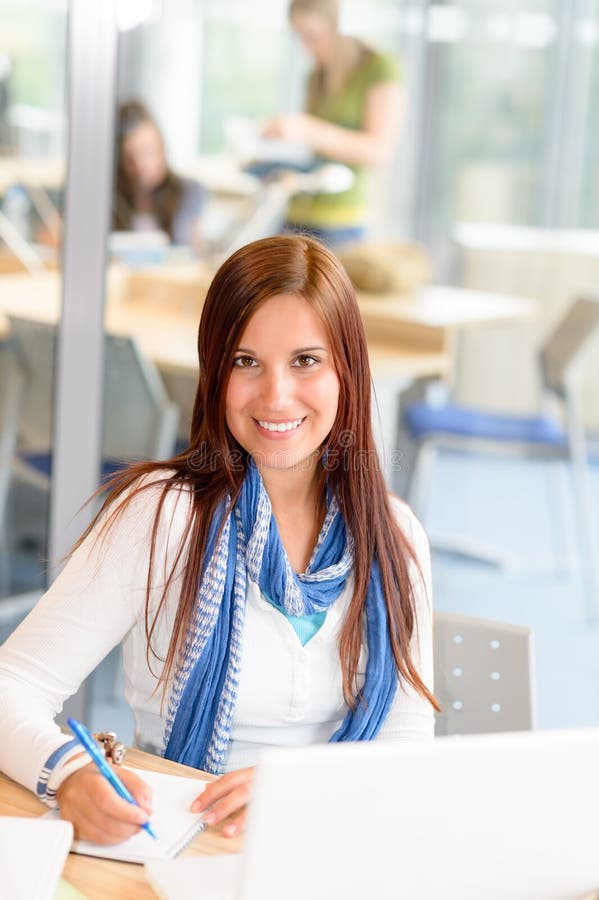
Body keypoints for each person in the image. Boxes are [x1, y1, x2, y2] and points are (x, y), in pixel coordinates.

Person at [0, 235, 437, 844]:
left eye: (306, 361)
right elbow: (9, 687)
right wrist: (68, 773)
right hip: (183, 839)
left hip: (337, 837)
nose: (275, 395)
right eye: (244, 361)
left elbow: (407, 744)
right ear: (214, 371)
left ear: (348, 371)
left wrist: (298, 789)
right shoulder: (162, 517)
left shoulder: (393, 533)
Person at [264, 0, 403, 247]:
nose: (306, 48)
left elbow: (379, 151)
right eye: (300, 37)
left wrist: (309, 130)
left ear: (339, 25)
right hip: (297, 213)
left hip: (341, 221)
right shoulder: (316, 76)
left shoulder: (380, 69)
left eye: (312, 36)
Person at [113, 99, 206, 250]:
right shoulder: (113, 200)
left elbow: (193, 251)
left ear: (162, 147)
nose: (142, 164)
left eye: (148, 151)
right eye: (130, 156)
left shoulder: (189, 191)